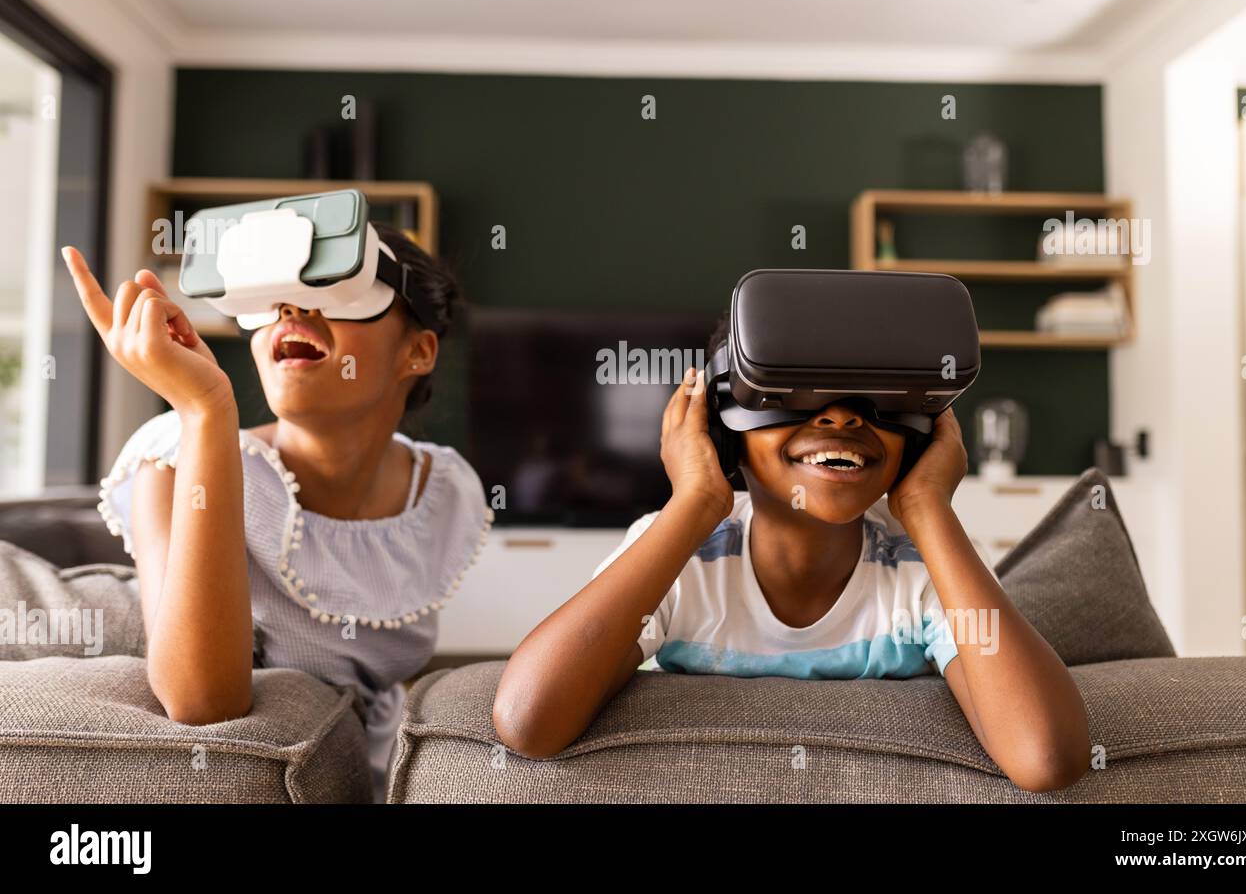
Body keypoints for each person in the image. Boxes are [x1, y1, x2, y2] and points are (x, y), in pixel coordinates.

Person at [493, 319, 1090, 793]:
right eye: (795, 389)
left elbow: (1046, 758)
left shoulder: (926, 565)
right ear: (721, 426)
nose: (841, 414)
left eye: (878, 395)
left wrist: (930, 507)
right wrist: (695, 502)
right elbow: (529, 721)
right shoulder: (680, 557)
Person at [63, 226, 491, 801]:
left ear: (417, 351)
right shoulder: (176, 451)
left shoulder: (442, 489)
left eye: (339, 287)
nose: (293, 307)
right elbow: (203, 702)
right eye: (277, 296)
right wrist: (206, 408)